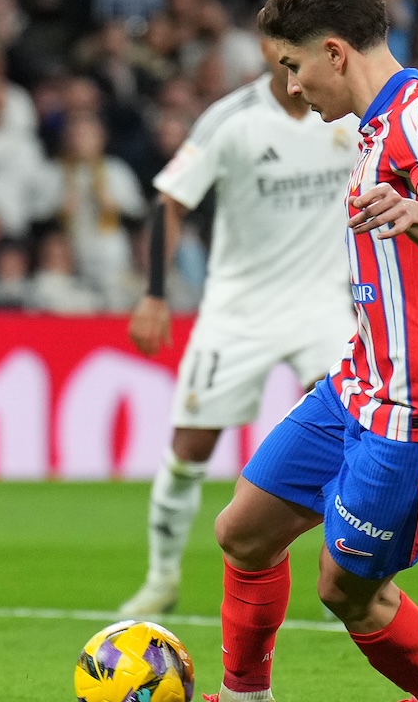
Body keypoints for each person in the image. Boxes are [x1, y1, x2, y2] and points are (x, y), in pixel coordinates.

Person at [156, 0, 418, 702]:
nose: (289, 86)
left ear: (333, 52)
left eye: (292, 66)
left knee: (347, 589)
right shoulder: (376, 127)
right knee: (243, 530)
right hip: (359, 385)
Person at [118, 37, 363, 617]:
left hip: (321, 305)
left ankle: (347, 570)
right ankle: (161, 577)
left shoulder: (351, 115)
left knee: (349, 431)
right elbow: (170, 203)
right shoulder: (231, 121)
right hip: (238, 308)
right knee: (191, 446)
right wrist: (154, 294)